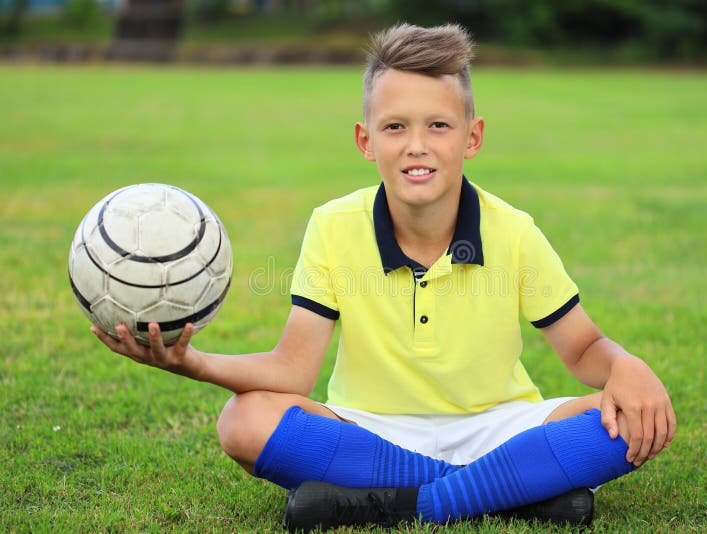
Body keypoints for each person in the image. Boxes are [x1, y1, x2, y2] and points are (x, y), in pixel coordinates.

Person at [92, 23, 676, 532]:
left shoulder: (514, 231)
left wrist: (626, 365)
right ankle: (514, 491)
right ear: (365, 141)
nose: (417, 146)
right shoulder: (333, 226)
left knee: (632, 418)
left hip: (498, 425)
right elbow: (292, 370)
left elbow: (583, 349)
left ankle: (407, 504)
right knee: (242, 422)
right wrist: (192, 363)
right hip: (370, 431)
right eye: (395, 127)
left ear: (471, 137)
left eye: (439, 126)